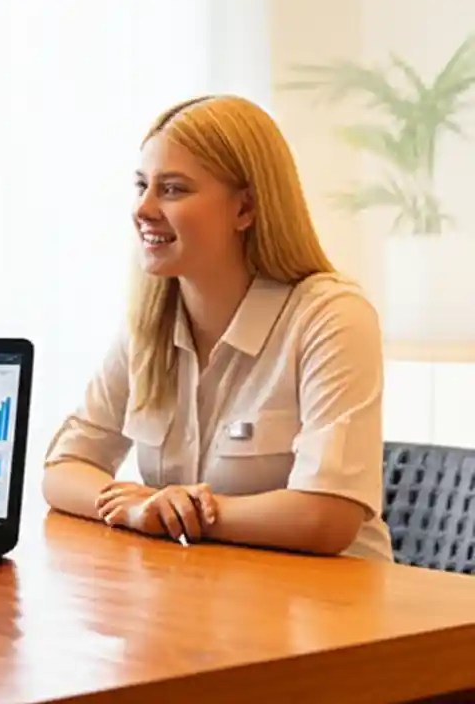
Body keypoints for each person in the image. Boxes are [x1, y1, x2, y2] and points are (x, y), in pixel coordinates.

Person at [41, 94, 392, 561]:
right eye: (141, 185)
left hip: (337, 612)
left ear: (245, 209)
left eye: (172, 189)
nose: (143, 209)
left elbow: (327, 518)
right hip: (211, 599)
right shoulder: (150, 323)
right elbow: (64, 468)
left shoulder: (331, 316)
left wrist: (187, 513)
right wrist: (134, 509)